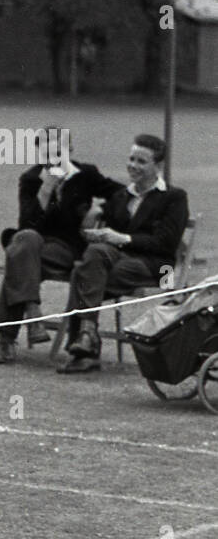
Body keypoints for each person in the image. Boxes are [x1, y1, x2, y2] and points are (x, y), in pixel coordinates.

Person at [0, 127, 120, 364]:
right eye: (46, 153)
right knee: (26, 241)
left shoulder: (86, 174)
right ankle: (33, 312)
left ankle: (8, 338)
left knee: (19, 259)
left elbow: (121, 194)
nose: (53, 158)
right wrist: (46, 189)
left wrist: (99, 209)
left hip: (66, 248)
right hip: (33, 244)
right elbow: (27, 224)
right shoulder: (30, 179)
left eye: (58, 151)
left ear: (69, 149)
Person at [58, 134, 189, 374]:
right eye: (131, 159)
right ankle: (87, 337)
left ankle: (86, 345)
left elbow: (166, 243)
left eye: (141, 161)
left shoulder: (174, 197)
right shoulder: (121, 197)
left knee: (82, 273)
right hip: (120, 264)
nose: (133, 166)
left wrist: (123, 238)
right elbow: (96, 229)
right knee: (94, 258)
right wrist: (94, 213)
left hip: (162, 269)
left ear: (158, 166)